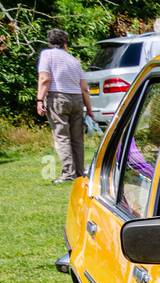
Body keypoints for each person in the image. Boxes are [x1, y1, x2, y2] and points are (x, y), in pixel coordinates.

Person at [35, 28, 91, 183]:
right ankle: (79, 171)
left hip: (58, 97)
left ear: (49, 41)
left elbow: (45, 79)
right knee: (77, 138)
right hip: (77, 99)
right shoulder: (73, 60)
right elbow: (84, 88)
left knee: (62, 136)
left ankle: (68, 173)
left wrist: (40, 100)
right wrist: (90, 109)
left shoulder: (47, 55)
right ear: (65, 42)